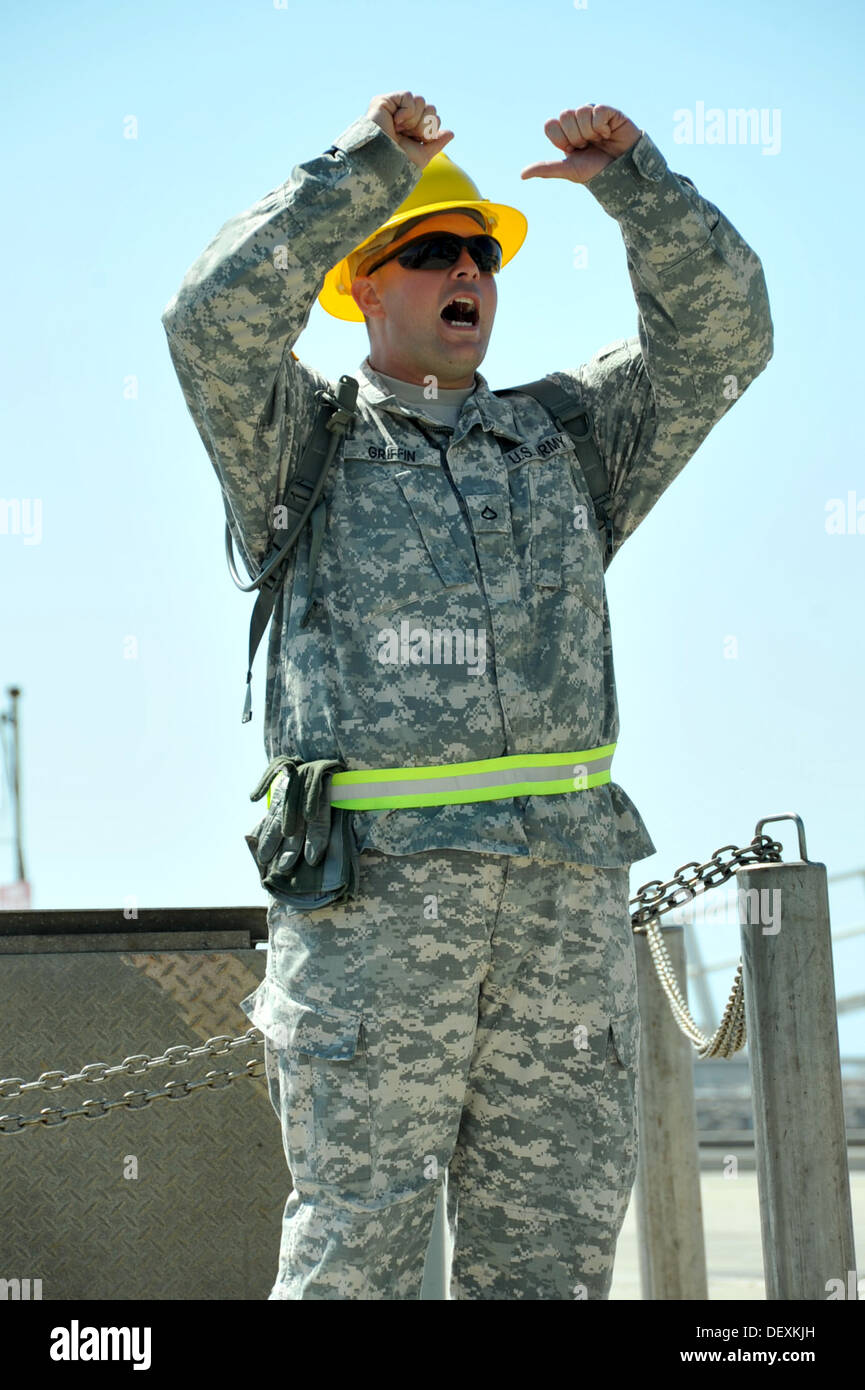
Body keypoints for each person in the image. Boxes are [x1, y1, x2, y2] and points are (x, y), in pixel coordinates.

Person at [160, 91, 773, 1300]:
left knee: (548, 1262)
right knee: (356, 1257)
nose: (464, 270)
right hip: (374, 924)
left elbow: (723, 342)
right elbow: (209, 321)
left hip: (558, 916)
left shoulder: (563, 439)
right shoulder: (302, 448)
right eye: (429, 250)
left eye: (479, 254)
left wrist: (637, 186)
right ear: (366, 288)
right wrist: (369, 168)